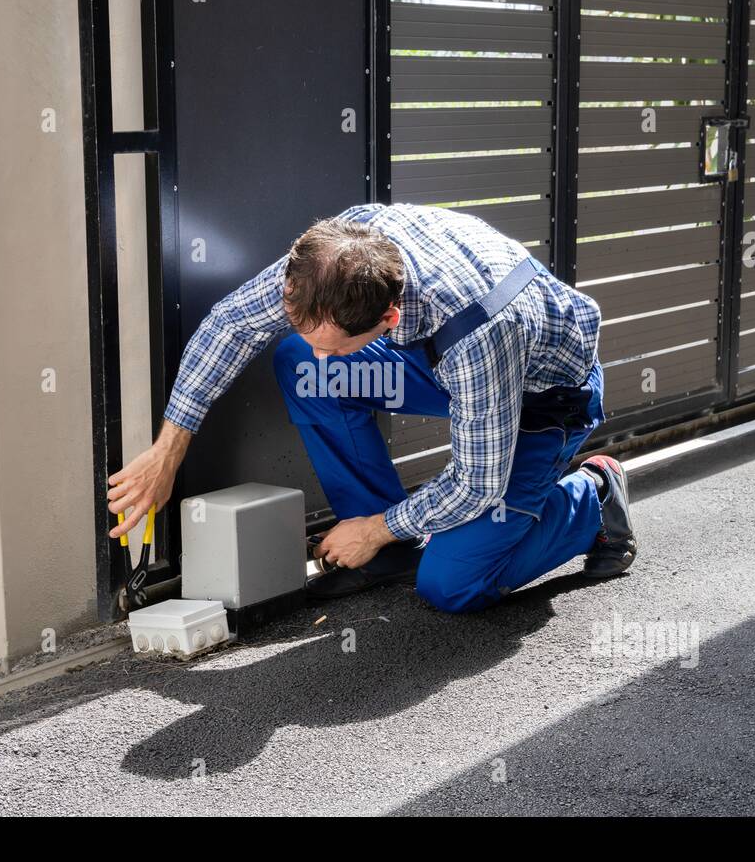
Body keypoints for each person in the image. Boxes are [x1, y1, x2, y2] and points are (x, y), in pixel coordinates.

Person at [106, 203, 637, 613]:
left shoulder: (479, 328)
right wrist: (167, 451)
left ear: (386, 317)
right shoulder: (336, 258)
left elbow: (477, 485)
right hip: (451, 367)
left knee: (452, 586)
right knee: (301, 365)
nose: (323, 355)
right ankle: (389, 553)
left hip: (540, 399)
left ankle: (592, 501)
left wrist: (375, 528)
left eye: (335, 346)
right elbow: (230, 325)